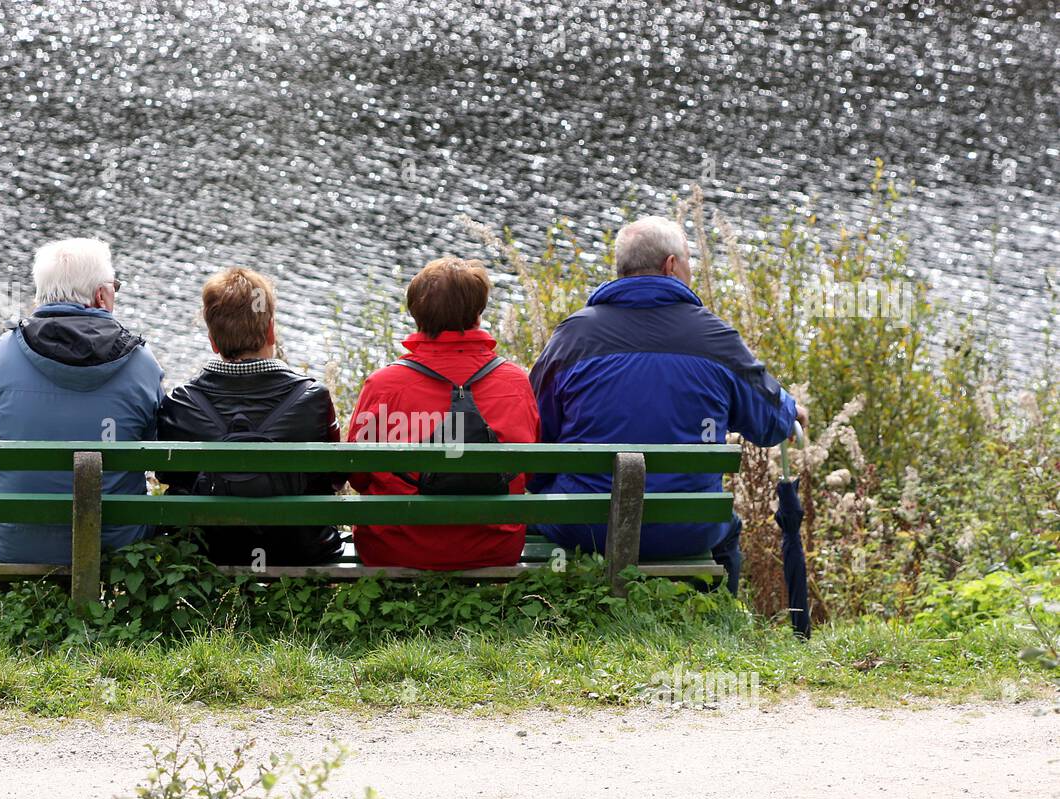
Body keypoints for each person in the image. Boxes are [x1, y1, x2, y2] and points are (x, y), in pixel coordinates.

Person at [527, 215, 807, 594]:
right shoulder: (715, 338)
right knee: (726, 529)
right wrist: (790, 411)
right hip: (687, 529)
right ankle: (718, 621)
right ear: (671, 265)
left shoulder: (572, 336)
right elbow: (771, 423)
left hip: (586, 528)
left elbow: (537, 432)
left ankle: (572, 608)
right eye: (690, 261)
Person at [0, 237, 165, 564]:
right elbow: (154, 447)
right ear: (102, 295)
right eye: (115, 286)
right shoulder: (142, 364)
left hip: (15, 540)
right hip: (114, 542)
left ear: (40, 295)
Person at [346, 257, 540, 570]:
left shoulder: (384, 385)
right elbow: (527, 471)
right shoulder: (515, 381)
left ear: (416, 315)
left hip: (395, 546)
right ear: (478, 313)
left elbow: (358, 475)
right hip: (493, 546)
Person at [156, 267, 344, 566]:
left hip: (207, 551)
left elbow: (170, 477)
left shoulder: (181, 402)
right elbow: (335, 477)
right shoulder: (314, 398)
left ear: (213, 341)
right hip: (299, 549)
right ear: (271, 330)